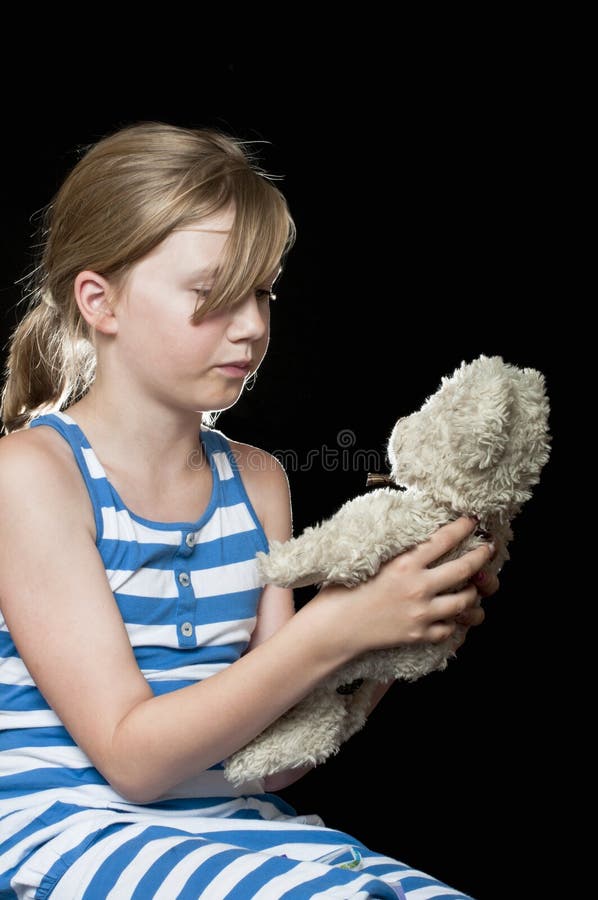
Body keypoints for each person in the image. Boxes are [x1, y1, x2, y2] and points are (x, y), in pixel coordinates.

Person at [0, 121, 498, 899]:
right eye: (213, 295)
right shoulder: (32, 475)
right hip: (68, 829)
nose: (254, 326)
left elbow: (272, 755)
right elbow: (132, 760)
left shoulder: (258, 480)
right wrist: (331, 629)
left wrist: (389, 633)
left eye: (263, 291)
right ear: (100, 301)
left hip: (234, 827)